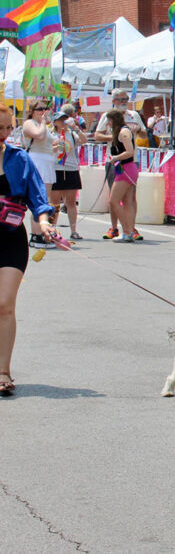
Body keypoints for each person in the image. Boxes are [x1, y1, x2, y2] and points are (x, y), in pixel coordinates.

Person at [0, 102, 55, 395]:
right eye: (0, 128)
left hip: (10, 238)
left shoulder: (19, 158)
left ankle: (3, 372)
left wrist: (44, 222)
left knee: (5, 304)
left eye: (9, 128)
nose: (5, 134)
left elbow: (38, 197)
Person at [94, 90, 145, 241]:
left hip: (126, 162)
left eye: (126, 98)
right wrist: (114, 136)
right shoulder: (107, 116)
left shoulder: (133, 116)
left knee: (124, 198)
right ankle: (116, 227)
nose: (124, 101)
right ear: (114, 100)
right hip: (116, 162)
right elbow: (97, 135)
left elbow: (141, 137)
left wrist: (137, 131)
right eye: (121, 99)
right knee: (114, 195)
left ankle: (129, 229)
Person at [21, 100, 58, 249]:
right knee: (38, 199)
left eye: (45, 108)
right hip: (36, 162)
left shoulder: (45, 127)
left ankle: (42, 233)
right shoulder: (30, 123)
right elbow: (39, 136)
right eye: (39, 109)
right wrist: (43, 122)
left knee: (45, 200)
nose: (43, 111)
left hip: (47, 162)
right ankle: (36, 235)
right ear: (32, 111)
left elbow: (49, 142)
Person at [103, 110, 140, 244]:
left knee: (113, 201)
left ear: (115, 120)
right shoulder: (121, 132)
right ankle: (129, 231)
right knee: (127, 202)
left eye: (110, 120)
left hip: (127, 169)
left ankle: (126, 231)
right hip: (126, 169)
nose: (108, 123)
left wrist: (116, 157)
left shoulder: (123, 132)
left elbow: (130, 152)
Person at [50, 105, 86, 240]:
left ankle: (74, 230)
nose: (63, 121)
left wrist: (75, 127)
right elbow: (48, 149)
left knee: (70, 202)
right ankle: (52, 229)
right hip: (56, 169)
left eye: (65, 119)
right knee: (54, 203)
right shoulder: (51, 134)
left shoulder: (72, 134)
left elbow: (84, 140)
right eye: (60, 119)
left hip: (71, 168)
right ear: (55, 122)